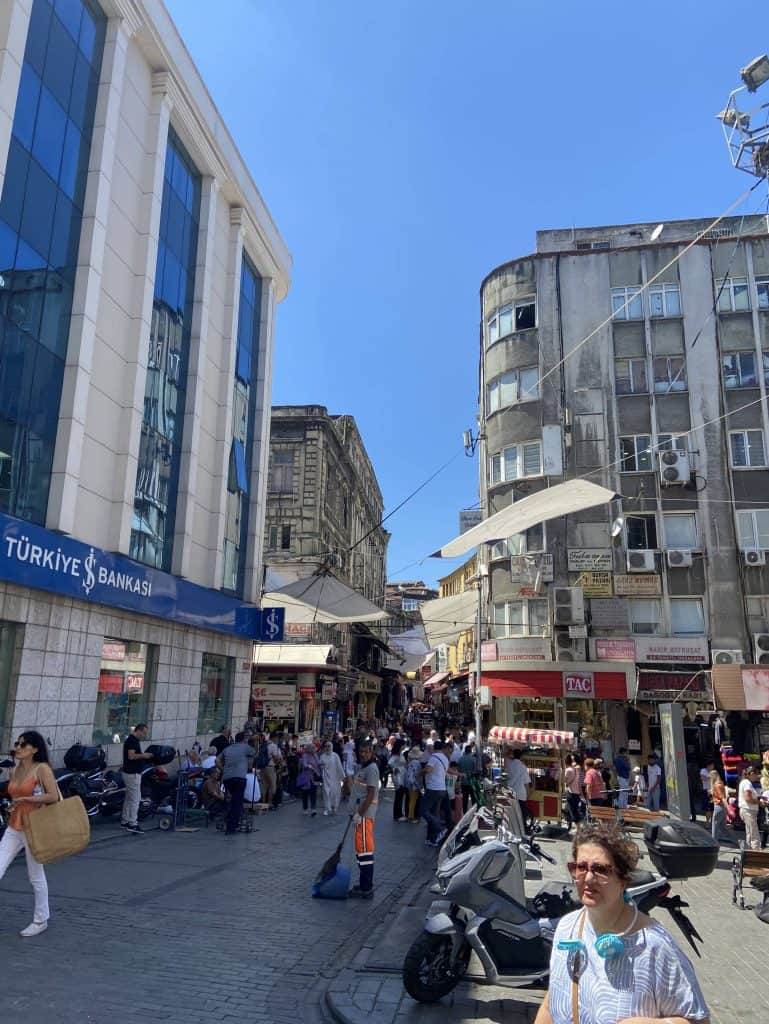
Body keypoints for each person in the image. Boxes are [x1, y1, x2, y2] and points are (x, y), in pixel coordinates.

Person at [534, 822, 709, 1024]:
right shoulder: (568, 927)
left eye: (600, 869)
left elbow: (699, 1021)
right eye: (581, 867)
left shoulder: (655, 948)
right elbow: (551, 1003)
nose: (588, 878)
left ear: (623, 880)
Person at [0, 731, 59, 937]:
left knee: (35, 876)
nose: (18, 747)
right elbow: (15, 795)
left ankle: (41, 919)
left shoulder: (42, 769)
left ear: (34, 749)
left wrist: (27, 799)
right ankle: (41, 919)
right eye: (17, 743)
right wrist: (15, 804)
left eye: (23, 745)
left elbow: (53, 796)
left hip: (34, 827)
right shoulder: (16, 770)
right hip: (14, 825)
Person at [350, 739, 380, 898]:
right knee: (361, 850)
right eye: (361, 751)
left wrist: (359, 814)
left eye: (366, 751)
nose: (363, 754)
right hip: (361, 816)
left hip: (364, 816)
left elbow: (370, 794)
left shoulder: (372, 769)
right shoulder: (364, 767)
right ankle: (364, 884)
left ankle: (366, 887)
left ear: (371, 752)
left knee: (364, 851)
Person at [217, 731, 258, 835]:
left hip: (227, 778)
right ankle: (231, 827)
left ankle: (227, 820)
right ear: (244, 739)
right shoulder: (245, 747)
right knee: (237, 802)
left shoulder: (228, 748)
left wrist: (223, 770)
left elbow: (217, 760)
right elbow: (255, 753)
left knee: (229, 800)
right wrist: (255, 742)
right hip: (239, 778)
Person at [121, 723, 152, 833]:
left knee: (129, 798)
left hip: (129, 773)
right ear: (138, 731)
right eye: (144, 733)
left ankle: (125, 821)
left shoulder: (132, 740)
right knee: (135, 799)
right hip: (132, 774)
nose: (144, 735)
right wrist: (144, 755)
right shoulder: (132, 741)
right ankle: (133, 824)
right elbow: (131, 756)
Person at [421, 740, 449, 847]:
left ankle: (440, 829)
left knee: (422, 810)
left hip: (433, 788)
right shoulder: (445, 758)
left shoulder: (433, 757)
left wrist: (419, 773)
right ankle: (431, 839)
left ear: (434, 748)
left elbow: (428, 769)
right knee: (433, 813)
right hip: (442, 789)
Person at [505, 748, 533, 827]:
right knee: (521, 814)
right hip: (520, 794)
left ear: (513, 755)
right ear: (521, 756)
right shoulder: (522, 767)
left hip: (510, 793)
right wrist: (528, 794)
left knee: (512, 815)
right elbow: (526, 782)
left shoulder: (509, 765)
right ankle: (522, 829)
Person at [738, 764, 762, 851]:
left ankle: (749, 851)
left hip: (748, 810)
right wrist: (759, 802)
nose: (757, 776)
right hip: (748, 810)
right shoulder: (747, 783)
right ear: (752, 774)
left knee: (750, 833)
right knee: (754, 833)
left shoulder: (745, 782)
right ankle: (756, 850)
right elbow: (748, 798)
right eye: (757, 774)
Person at [319, 741, 345, 815]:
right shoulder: (322, 756)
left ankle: (334, 806)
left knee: (334, 793)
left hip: (335, 777)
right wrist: (321, 766)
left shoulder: (335, 756)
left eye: (329, 746)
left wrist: (342, 776)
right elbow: (320, 765)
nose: (327, 748)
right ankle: (327, 808)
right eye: (326, 746)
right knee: (326, 792)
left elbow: (339, 766)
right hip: (326, 777)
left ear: (332, 747)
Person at [298, 743, 321, 816]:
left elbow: (318, 763)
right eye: (313, 748)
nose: (314, 749)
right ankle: (305, 808)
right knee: (305, 793)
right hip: (306, 777)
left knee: (313, 793)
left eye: (314, 748)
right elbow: (304, 764)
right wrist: (309, 766)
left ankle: (313, 809)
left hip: (314, 777)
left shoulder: (315, 755)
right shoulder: (305, 755)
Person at [388, 740, 408, 821]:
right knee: (399, 796)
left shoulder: (400, 754)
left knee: (400, 795)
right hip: (398, 777)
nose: (405, 746)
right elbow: (390, 763)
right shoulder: (396, 755)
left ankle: (399, 813)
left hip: (402, 776)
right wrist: (394, 768)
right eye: (404, 745)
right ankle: (397, 815)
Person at [563, 754, 584, 828]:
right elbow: (578, 783)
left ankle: (578, 828)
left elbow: (564, 781)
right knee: (568, 810)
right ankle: (570, 825)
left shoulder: (568, 770)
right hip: (576, 793)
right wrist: (581, 794)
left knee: (573, 811)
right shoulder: (576, 770)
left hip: (571, 793)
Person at [710, 768, 729, 845]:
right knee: (722, 826)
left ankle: (713, 842)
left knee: (715, 825)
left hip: (719, 807)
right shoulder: (721, 783)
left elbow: (722, 797)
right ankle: (733, 839)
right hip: (722, 807)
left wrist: (728, 808)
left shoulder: (717, 785)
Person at [405, 747, 423, 823]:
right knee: (413, 801)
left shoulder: (411, 762)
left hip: (410, 783)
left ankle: (410, 815)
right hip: (414, 784)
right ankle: (411, 816)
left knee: (411, 800)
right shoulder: (416, 763)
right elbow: (415, 773)